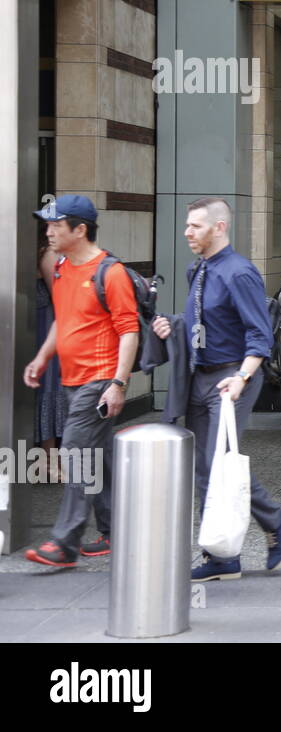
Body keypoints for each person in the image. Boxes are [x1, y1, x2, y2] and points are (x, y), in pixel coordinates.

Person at [148, 197, 281, 582]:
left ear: (219, 227)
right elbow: (205, 320)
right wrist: (173, 325)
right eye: (187, 225)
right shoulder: (198, 269)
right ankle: (224, 553)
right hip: (200, 376)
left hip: (232, 378)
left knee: (217, 464)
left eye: (195, 226)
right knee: (205, 467)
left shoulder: (239, 272)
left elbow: (260, 335)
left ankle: (262, 528)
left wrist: (242, 378)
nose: (187, 232)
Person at [22, 196, 138, 567]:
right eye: (48, 225)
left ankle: (65, 541)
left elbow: (129, 330)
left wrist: (118, 383)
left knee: (74, 453)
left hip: (100, 381)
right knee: (97, 460)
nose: (49, 231)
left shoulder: (111, 272)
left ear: (80, 229)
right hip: (72, 380)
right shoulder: (60, 269)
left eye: (56, 225)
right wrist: (42, 358)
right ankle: (114, 530)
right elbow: (64, 319)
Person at [34, 231, 69, 482]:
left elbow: (59, 297)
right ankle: (48, 461)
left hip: (42, 326)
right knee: (44, 390)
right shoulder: (44, 251)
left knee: (47, 390)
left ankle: (49, 460)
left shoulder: (44, 251)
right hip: (34, 325)